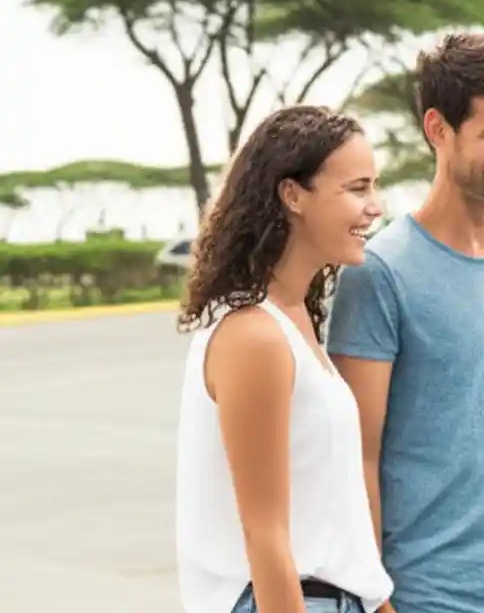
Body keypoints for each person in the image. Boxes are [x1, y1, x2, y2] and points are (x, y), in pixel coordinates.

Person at [325, 32, 484, 613]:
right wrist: (377, 601)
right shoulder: (379, 273)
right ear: (438, 129)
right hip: (427, 597)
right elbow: (356, 458)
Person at [174, 105, 393, 613]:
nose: (376, 206)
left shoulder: (293, 319)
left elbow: (332, 513)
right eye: (357, 188)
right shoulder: (254, 335)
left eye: (374, 186)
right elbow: (265, 533)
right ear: (292, 194)